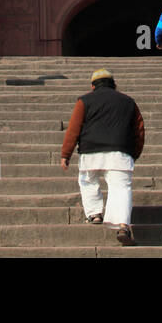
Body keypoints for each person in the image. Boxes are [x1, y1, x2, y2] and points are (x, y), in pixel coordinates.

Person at [60, 68, 146, 246]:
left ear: (92, 86)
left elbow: (74, 128)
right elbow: (139, 130)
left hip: (90, 151)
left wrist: (65, 154)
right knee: (121, 188)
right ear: (114, 84)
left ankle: (95, 214)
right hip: (120, 152)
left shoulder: (84, 101)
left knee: (88, 181)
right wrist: (134, 152)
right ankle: (122, 225)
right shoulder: (128, 102)